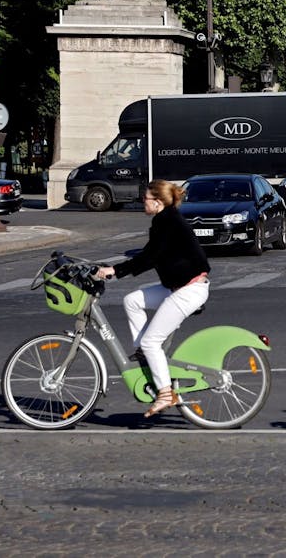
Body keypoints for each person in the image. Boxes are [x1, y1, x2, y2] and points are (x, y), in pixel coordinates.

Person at [94, 179, 211, 417]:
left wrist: (115, 271)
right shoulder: (165, 219)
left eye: (145, 199)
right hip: (178, 286)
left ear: (157, 202)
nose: (142, 202)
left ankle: (166, 393)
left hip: (188, 291)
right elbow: (151, 254)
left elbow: (150, 257)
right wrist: (115, 269)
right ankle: (144, 354)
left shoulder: (167, 221)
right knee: (132, 301)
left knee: (151, 342)